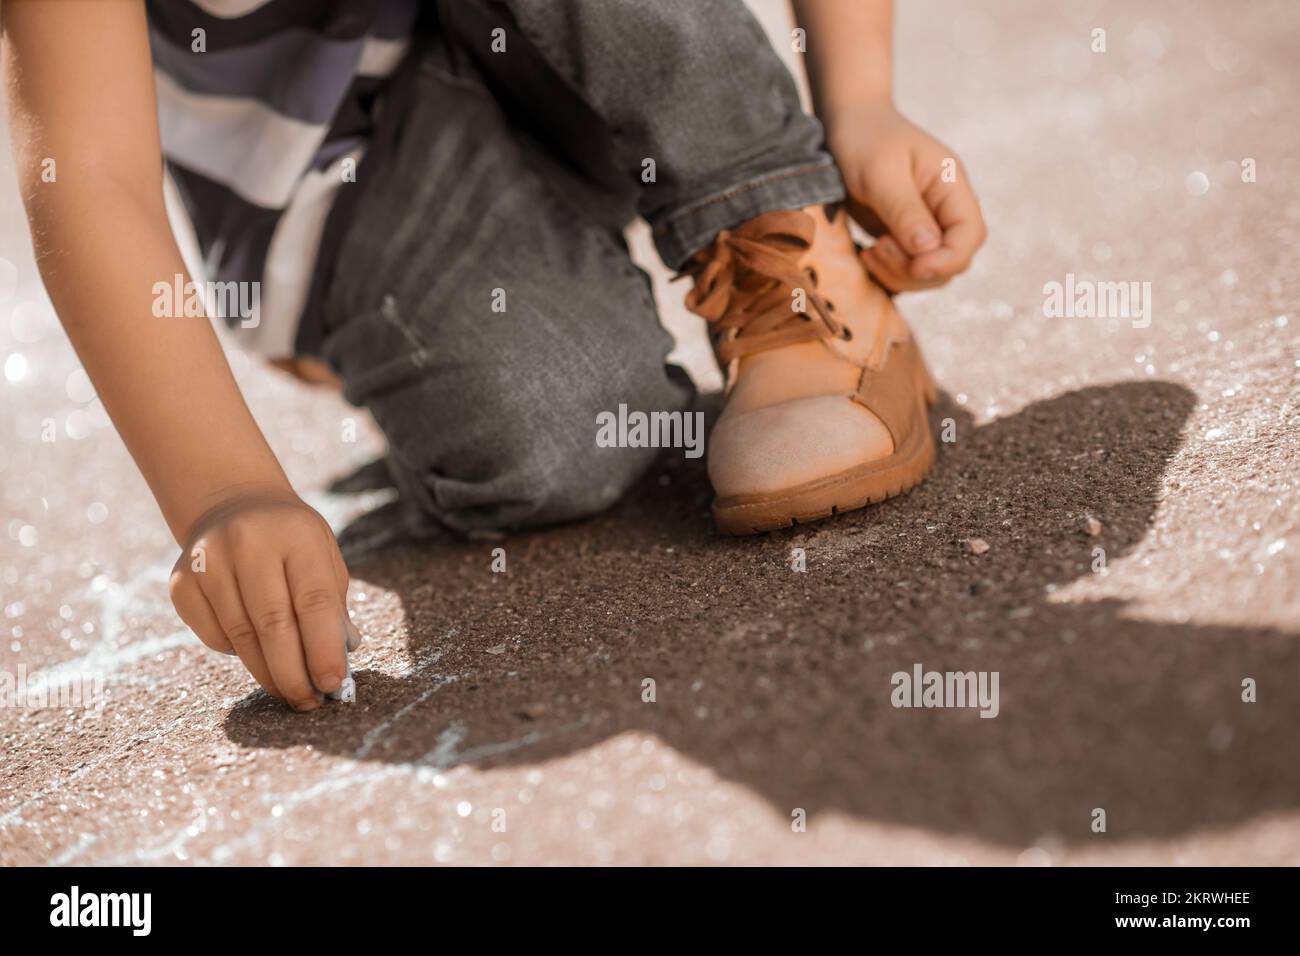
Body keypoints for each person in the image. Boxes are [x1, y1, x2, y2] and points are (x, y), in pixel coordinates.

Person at [1, 0, 985, 711]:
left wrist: (857, 102)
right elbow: (86, 173)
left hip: (581, 44)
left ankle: (783, 251)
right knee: (562, 433)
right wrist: (222, 489)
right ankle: (447, 314)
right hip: (347, 175)